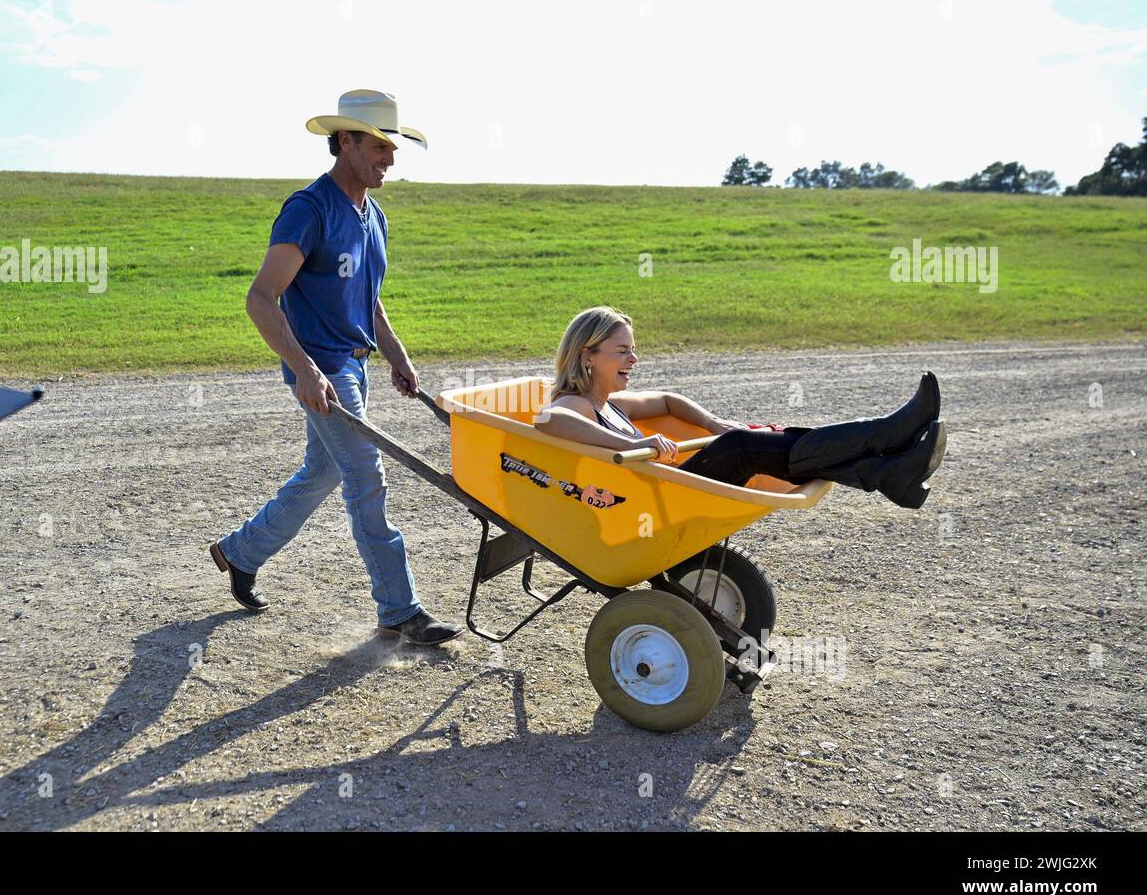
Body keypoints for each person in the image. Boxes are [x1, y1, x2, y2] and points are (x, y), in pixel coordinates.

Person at [208, 90, 462, 646]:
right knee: (366, 477)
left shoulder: (375, 218)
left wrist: (396, 356)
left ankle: (238, 552)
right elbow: (261, 298)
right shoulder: (310, 209)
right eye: (378, 146)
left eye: (393, 148)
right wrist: (304, 370)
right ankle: (399, 610)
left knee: (322, 473)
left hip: (357, 365)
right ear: (344, 141)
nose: (389, 159)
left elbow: (367, 299)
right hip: (322, 369)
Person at [533, 307, 947, 508]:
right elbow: (548, 419)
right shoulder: (575, 403)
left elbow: (666, 399)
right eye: (622, 351)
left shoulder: (608, 402)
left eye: (634, 350)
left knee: (762, 442)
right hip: (651, 506)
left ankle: (887, 469)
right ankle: (887, 438)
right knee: (739, 447)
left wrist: (712, 421)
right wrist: (631, 443)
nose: (633, 360)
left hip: (665, 493)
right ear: (588, 355)